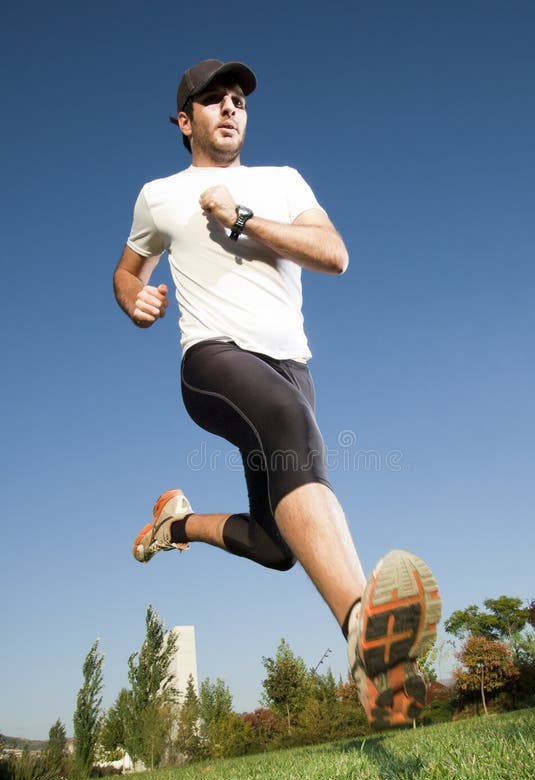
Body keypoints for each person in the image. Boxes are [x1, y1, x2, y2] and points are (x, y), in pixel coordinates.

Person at [113, 58, 441, 729]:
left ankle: (175, 525)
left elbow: (333, 254)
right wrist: (133, 298)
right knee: (288, 424)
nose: (229, 108)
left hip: (291, 366)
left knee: (277, 546)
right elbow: (127, 269)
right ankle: (362, 629)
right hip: (212, 362)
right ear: (185, 121)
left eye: (237, 99)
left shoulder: (281, 181)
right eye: (212, 101)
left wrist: (246, 219)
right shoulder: (159, 195)